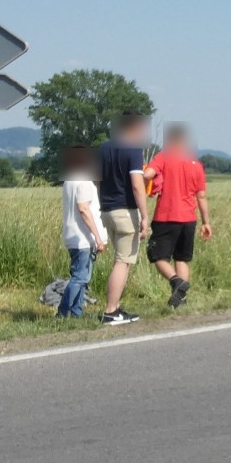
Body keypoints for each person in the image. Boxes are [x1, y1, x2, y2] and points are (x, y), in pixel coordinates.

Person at [144, 123, 212, 308]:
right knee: (181, 258)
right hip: (189, 218)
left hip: (166, 216)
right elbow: (202, 196)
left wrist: (144, 181)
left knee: (157, 255)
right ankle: (181, 298)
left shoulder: (163, 157)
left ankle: (176, 282)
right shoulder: (196, 165)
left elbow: (148, 174)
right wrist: (206, 222)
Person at [97, 113, 153, 325]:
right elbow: (137, 185)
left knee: (119, 259)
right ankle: (111, 310)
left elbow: (97, 179)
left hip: (107, 210)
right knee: (123, 262)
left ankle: (116, 307)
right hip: (125, 211)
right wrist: (145, 216)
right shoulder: (133, 150)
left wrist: (103, 201)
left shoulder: (103, 148)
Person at [57, 146, 107, 319]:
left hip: (71, 235)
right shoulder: (85, 182)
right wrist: (98, 237)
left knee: (81, 277)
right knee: (80, 277)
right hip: (83, 238)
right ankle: (63, 313)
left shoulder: (68, 181)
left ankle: (77, 313)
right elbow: (84, 209)